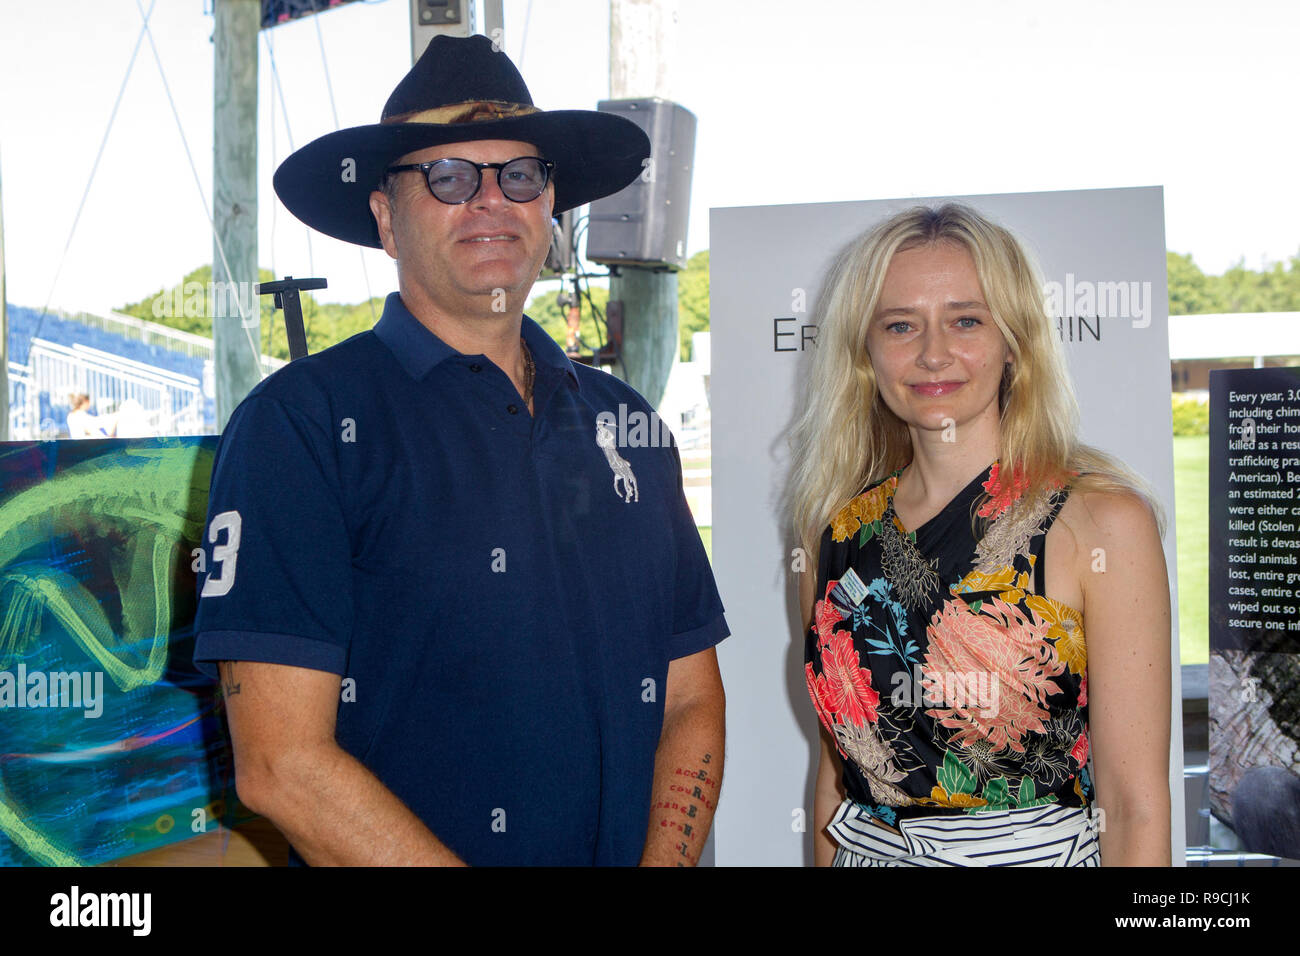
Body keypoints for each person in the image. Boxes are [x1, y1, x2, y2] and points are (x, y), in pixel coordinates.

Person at [192, 34, 728, 866]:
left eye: (520, 174)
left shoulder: (632, 428)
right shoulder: (298, 427)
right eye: (447, 176)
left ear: (551, 206)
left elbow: (689, 699)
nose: (491, 201)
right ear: (384, 217)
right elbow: (279, 765)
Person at [790, 203, 1171, 866]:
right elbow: (835, 779)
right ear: (865, 352)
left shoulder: (1099, 523)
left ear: (1014, 340)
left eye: (965, 320)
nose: (933, 352)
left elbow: (1134, 804)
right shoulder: (836, 534)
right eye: (900, 325)